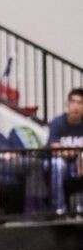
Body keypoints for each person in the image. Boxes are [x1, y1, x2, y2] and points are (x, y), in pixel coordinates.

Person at [48, 88, 83, 216]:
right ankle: (59, 208)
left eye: (80, 103)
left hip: (78, 162)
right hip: (58, 161)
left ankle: (80, 208)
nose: (76, 106)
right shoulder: (57, 123)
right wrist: (76, 153)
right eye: (73, 102)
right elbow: (56, 149)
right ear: (67, 104)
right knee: (58, 163)